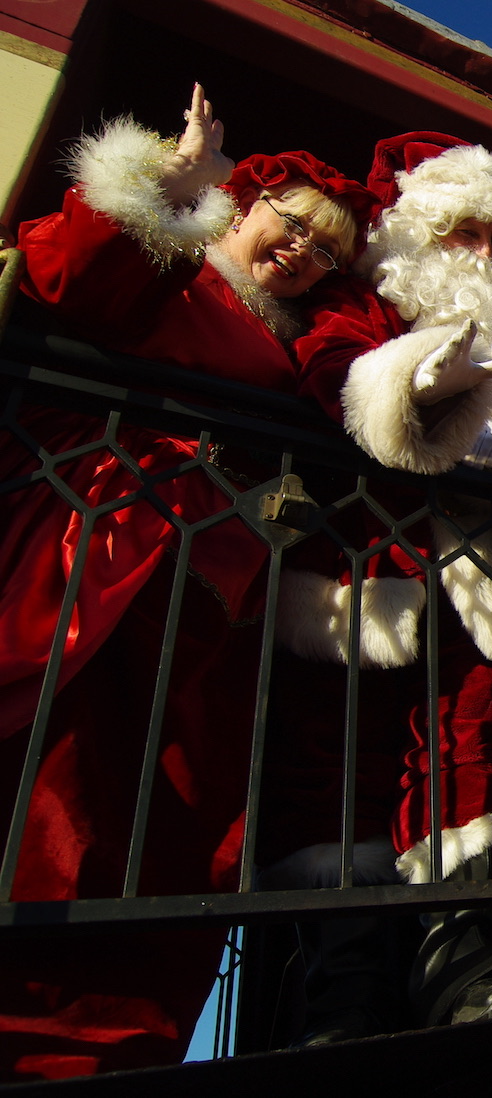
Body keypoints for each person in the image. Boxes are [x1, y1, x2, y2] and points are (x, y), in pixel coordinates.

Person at [0, 86, 376, 1079]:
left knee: (162, 816)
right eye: (293, 228)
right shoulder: (175, 267)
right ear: (245, 207)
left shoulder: (298, 337)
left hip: (210, 590)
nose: (302, 255)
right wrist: (169, 179)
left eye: (326, 251)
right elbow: (63, 278)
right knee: (60, 793)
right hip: (105, 550)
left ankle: (107, 1040)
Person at [266, 131, 492, 1039]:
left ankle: (466, 960)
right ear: (423, 232)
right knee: (337, 763)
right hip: (360, 572)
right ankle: (345, 981)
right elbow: (335, 375)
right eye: (467, 234)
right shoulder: (364, 301)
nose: (484, 256)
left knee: (473, 748)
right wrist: (428, 385)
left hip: (468, 577)